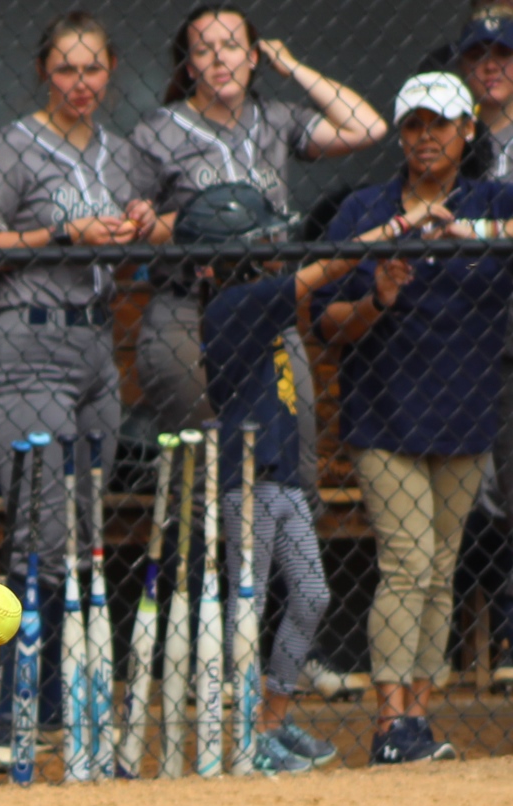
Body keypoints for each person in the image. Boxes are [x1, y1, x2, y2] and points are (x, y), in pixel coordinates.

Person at [186, 183, 450, 773]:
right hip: (246, 478)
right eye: (264, 243)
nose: (278, 249)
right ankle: (244, 733)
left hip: (281, 474)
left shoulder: (257, 300)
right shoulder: (236, 304)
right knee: (246, 605)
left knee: (311, 594)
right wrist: (400, 224)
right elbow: (330, 266)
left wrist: (377, 294)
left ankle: (271, 722)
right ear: (240, 256)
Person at [0, 11, 160, 742]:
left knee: (80, 531)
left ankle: (64, 697)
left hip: (96, 354)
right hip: (26, 345)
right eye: (68, 68)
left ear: (111, 72)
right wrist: (62, 234)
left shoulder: (122, 153)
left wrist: (138, 226)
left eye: (95, 69)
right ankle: (17, 706)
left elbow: (132, 259)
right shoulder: (13, 144)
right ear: (47, 69)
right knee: (38, 531)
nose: (82, 82)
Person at [312, 72, 513, 765]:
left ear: (467, 132)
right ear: (400, 136)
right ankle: (389, 719)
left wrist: (471, 230)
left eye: (440, 123)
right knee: (408, 559)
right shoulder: (364, 209)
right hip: (384, 412)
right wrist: (379, 299)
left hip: (464, 412)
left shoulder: (492, 201)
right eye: (413, 124)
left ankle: (418, 719)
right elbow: (327, 324)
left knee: (442, 565)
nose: (426, 136)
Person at [132, 4, 386, 434]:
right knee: (206, 462)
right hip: (188, 307)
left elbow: (369, 128)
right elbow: (135, 229)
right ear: (190, 66)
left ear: (253, 57)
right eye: (204, 50)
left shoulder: (274, 118)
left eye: (232, 46)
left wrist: (292, 67)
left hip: (268, 299)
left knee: (293, 448)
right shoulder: (156, 131)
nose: (219, 58)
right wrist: (210, 222)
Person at [454, 11, 513, 685]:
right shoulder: (454, 138)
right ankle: (497, 630)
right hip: (473, 328)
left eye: (503, 53)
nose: (491, 65)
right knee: (485, 494)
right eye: (479, 56)